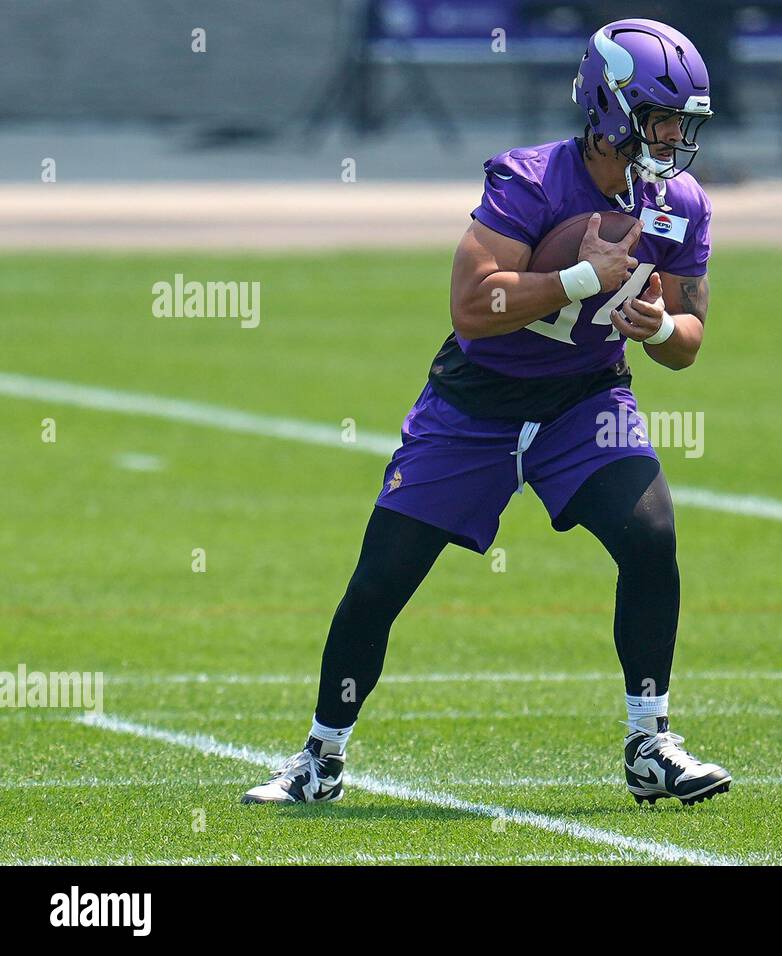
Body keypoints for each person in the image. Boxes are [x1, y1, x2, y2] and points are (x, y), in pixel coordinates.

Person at [242, 19, 730, 808]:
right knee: (381, 581)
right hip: (477, 404)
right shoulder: (530, 182)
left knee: (651, 537)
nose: (675, 137)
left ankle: (651, 742)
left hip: (584, 397)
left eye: (683, 122)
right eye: (661, 118)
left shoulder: (683, 205)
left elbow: (689, 342)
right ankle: (320, 758)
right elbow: (473, 306)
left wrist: (663, 327)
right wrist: (577, 278)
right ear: (609, 111)